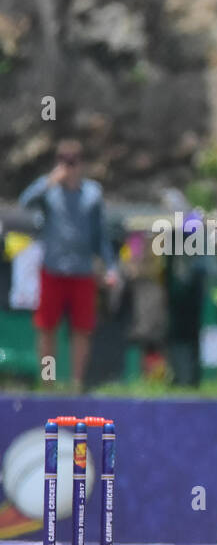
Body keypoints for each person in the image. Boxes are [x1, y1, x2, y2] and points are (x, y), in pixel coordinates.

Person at [18, 140, 119, 391]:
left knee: (82, 329)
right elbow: (24, 202)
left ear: (81, 164)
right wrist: (48, 181)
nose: (68, 166)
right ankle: (48, 382)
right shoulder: (48, 191)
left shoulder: (93, 194)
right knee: (47, 328)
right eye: (63, 160)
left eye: (72, 161)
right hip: (53, 269)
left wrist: (111, 267)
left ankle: (76, 383)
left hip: (82, 271)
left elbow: (101, 236)